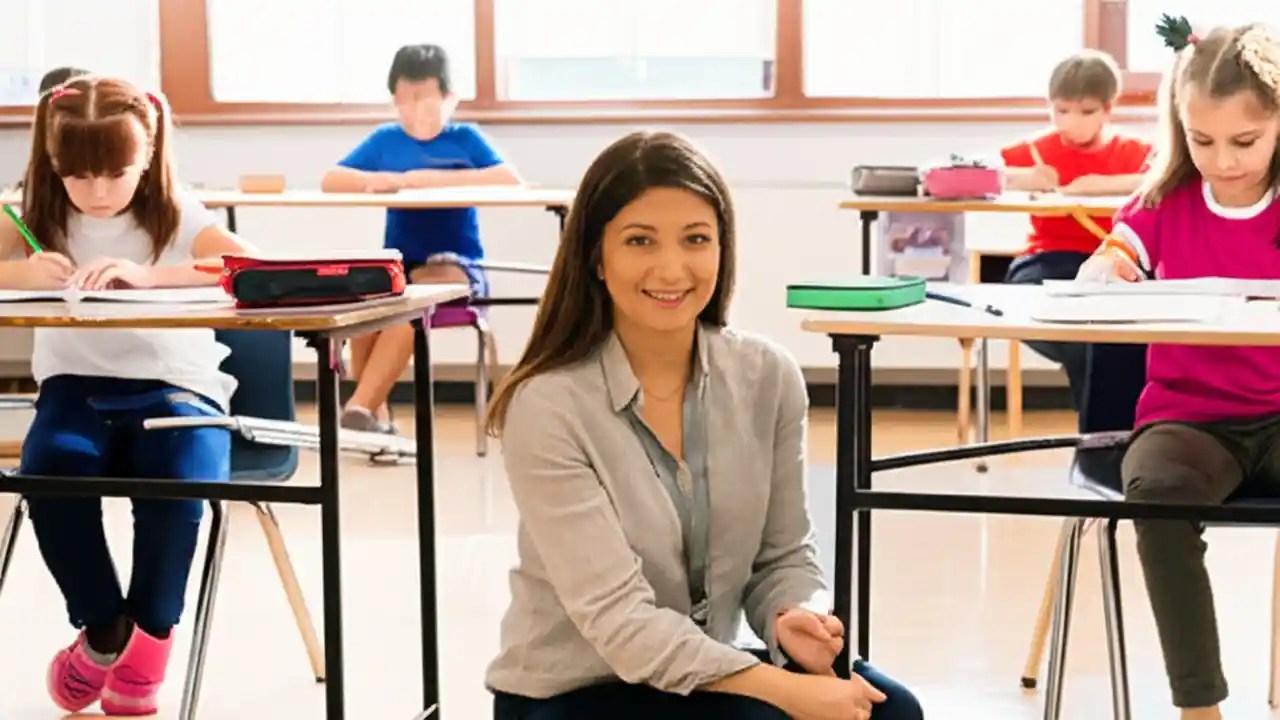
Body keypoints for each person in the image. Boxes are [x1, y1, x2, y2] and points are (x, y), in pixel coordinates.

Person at [482, 130, 923, 720]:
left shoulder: (767, 376)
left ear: (723, 248)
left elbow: (784, 555)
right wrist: (787, 690)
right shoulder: (548, 405)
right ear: (596, 256)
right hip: (573, 690)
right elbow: (621, 623)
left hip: (700, 668)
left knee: (894, 712)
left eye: (696, 239)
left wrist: (789, 615)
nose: (672, 268)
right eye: (640, 241)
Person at [0, 76, 255, 715]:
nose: (98, 192)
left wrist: (148, 277)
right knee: (51, 472)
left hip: (179, 388)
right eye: (77, 176)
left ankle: (154, 633)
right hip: (75, 390)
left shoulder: (174, 208)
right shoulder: (34, 210)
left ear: (147, 154)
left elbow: (247, 265)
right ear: (53, 165)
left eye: (115, 172)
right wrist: (20, 272)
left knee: (179, 483)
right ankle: (105, 629)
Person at [1077, 20, 1280, 720]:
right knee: (1157, 494)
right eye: (1202, 140)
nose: (1222, 161)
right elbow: (1114, 253)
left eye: (1245, 142)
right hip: (1189, 420)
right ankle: (1200, 709)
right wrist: (1109, 267)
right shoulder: (1162, 202)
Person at [321, 43, 521, 433]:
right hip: (400, 264)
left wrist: (415, 179)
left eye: (424, 99)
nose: (414, 110)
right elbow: (332, 179)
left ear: (449, 99)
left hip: (457, 267)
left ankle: (359, 406)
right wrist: (373, 181)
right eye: (404, 100)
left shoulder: (465, 139)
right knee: (366, 307)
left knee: (409, 302)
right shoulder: (386, 139)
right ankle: (377, 422)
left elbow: (510, 180)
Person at [1000, 49, 1153, 409]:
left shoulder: (1134, 151)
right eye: (1061, 110)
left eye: (1086, 111)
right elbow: (969, 173)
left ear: (1108, 110)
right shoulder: (1033, 150)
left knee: (1111, 334)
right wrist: (1023, 177)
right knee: (1094, 338)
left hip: (1114, 263)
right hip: (1046, 261)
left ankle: (1106, 447)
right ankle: (1102, 449)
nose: (1071, 121)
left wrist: (1101, 183)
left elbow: (1165, 176)